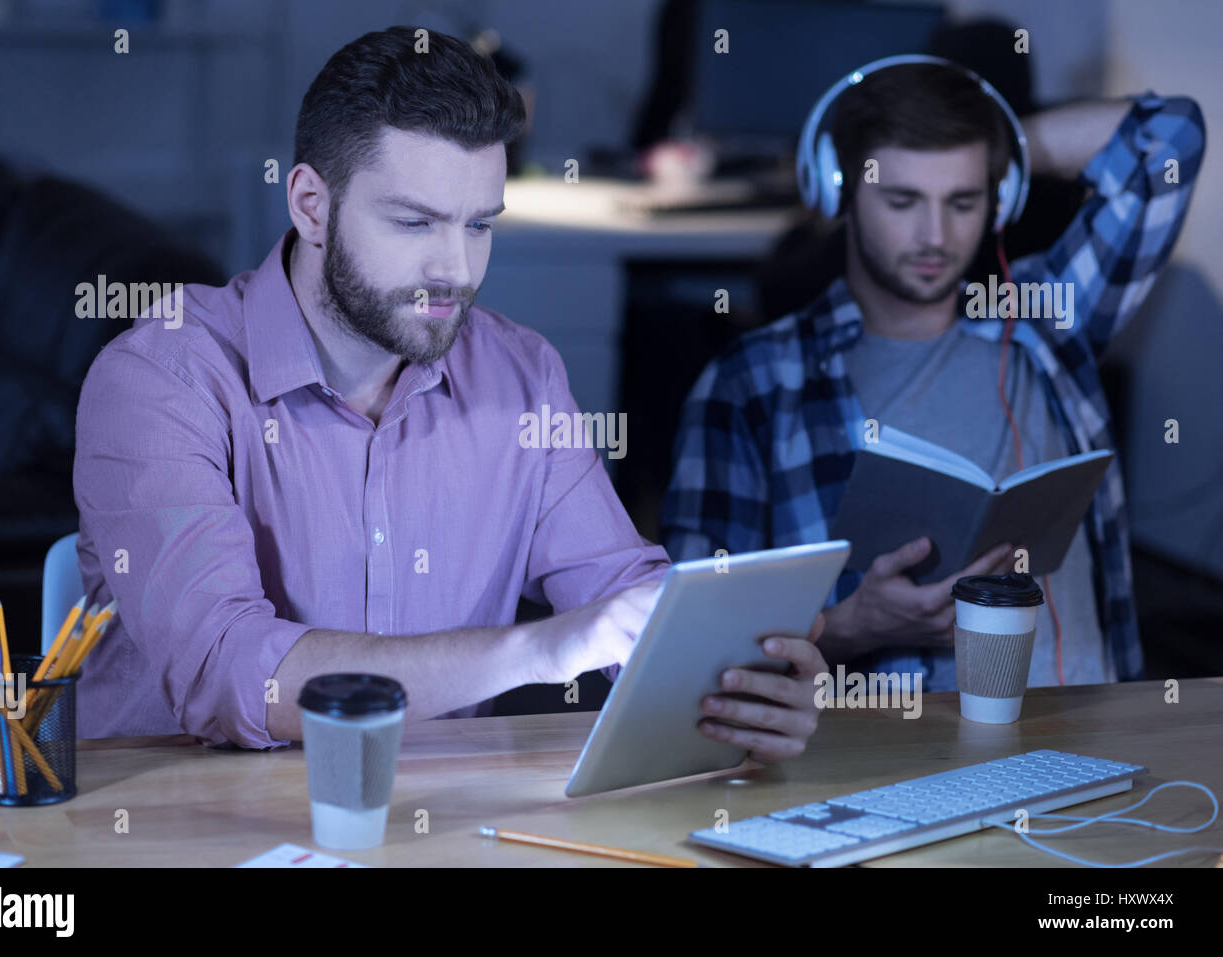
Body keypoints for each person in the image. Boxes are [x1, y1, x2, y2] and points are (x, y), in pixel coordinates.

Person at [73, 26, 826, 759]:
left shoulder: (521, 376)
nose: (456, 271)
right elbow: (226, 673)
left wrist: (734, 683)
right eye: (414, 222)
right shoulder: (159, 377)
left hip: (433, 828)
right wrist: (543, 646)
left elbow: (622, 597)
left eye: (479, 225)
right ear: (310, 205)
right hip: (181, 828)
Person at [662, 60, 1204, 692]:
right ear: (838, 191)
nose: (936, 236)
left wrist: (1003, 149)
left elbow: (1170, 135)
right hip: (896, 766)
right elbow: (689, 656)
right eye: (903, 200)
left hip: (1094, 742)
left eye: (964, 200)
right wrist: (852, 626)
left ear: (999, 199)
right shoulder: (756, 384)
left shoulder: (1042, 321)